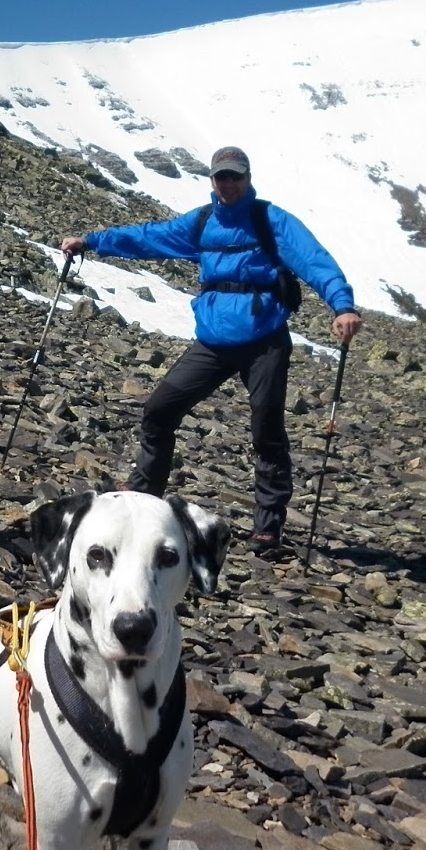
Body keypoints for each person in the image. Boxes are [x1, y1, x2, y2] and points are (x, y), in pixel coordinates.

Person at [62, 146, 362, 551]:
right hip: (214, 341)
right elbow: (148, 237)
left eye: (234, 176)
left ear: (247, 177)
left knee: (266, 429)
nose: (228, 183)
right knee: (159, 410)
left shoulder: (270, 221)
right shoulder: (203, 222)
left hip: (264, 341)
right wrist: (92, 242)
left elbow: (314, 261)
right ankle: (144, 492)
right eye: (221, 176)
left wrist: (342, 306)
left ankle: (268, 526)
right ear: (212, 180)